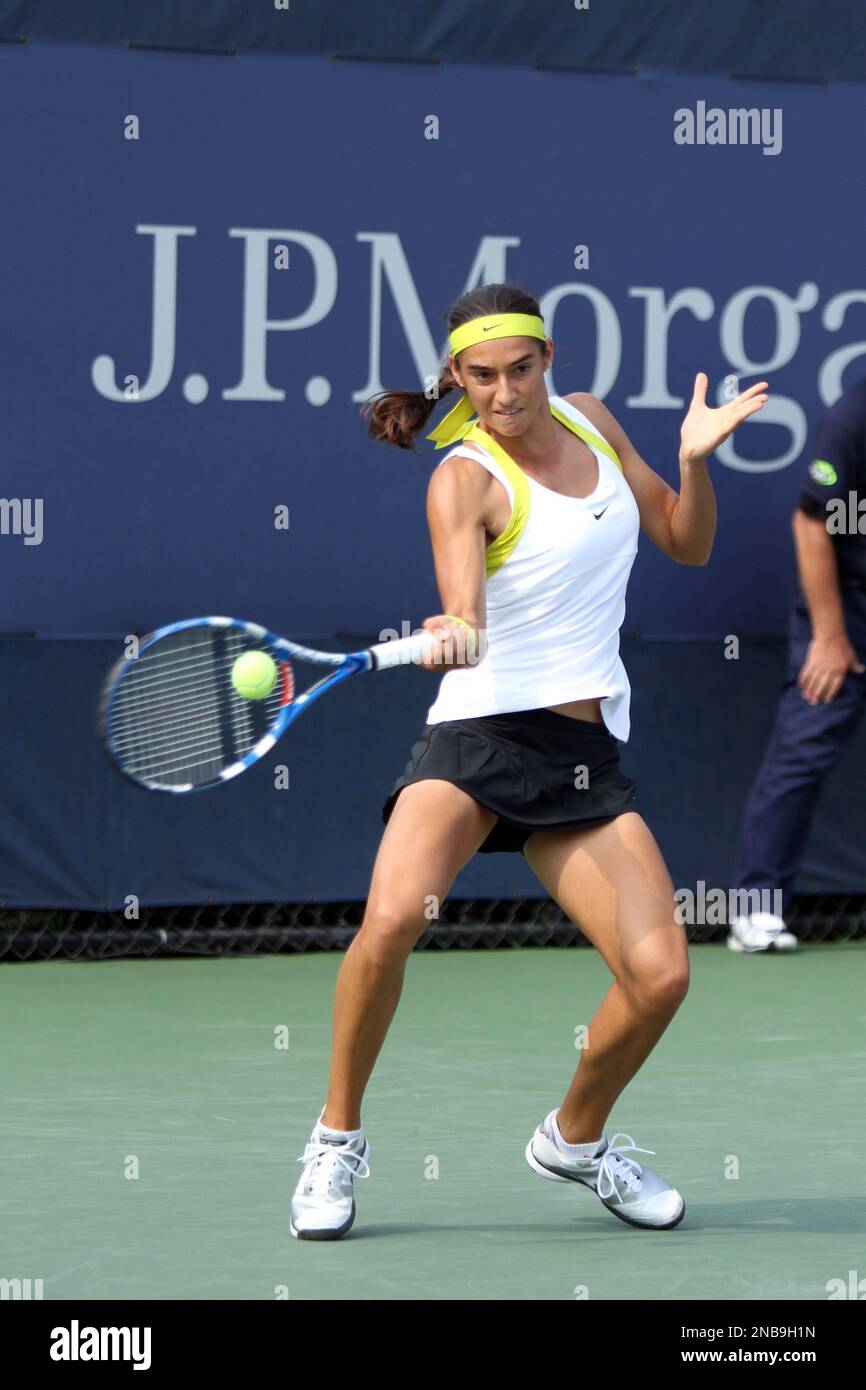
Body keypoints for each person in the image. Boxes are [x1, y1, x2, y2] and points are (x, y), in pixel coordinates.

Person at [290, 281, 768, 1241]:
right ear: (456, 379)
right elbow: (463, 611)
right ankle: (335, 1139)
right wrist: (454, 631)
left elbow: (687, 541)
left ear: (548, 357)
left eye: (521, 369)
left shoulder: (591, 423)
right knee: (389, 922)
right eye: (482, 377)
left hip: (580, 757)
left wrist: (691, 461)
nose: (505, 393)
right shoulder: (460, 478)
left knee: (661, 976)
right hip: (476, 741)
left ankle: (575, 1139)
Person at [728, 377, 866, 954]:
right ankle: (755, 910)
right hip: (847, 606)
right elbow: (811, 523)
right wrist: (830, 636)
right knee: (805, 745)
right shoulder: (856, 414)